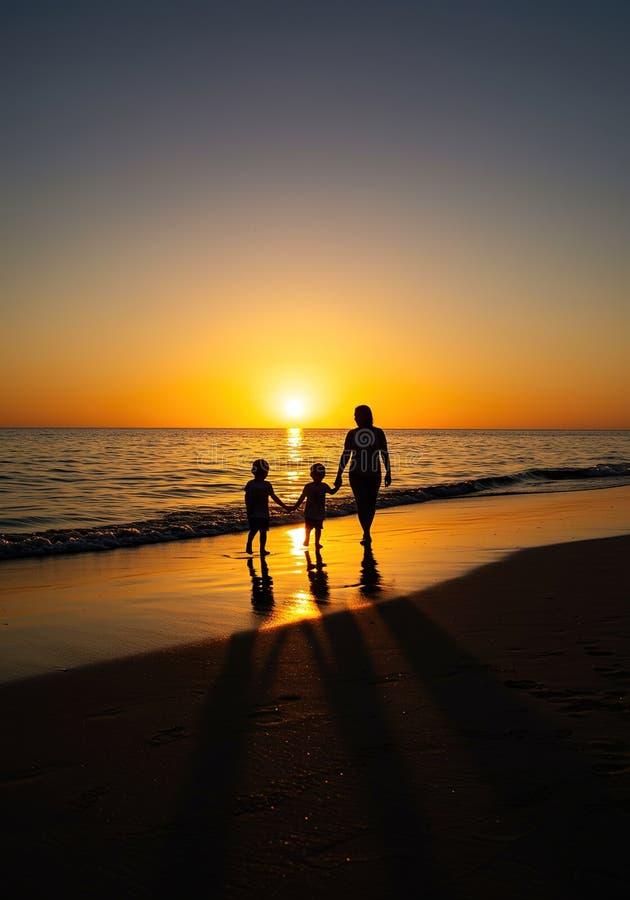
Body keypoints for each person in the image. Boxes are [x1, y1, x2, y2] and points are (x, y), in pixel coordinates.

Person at [334, 404, 391, 545]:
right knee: (361, 503)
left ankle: (367, 531)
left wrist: (388, 472)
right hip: (356, 474)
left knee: (371, 504)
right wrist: (338, 474)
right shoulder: (352, 434)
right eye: (355, 415)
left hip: (374, 474)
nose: (355, 418)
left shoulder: (378, 433)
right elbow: (346, 455)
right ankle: (366, 532)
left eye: (357, 415)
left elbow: (384, 453)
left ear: (366, 416)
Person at [244, 459, 289, 555]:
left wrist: (284, 506)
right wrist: (248, 509)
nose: (266, 474)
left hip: (263, 512)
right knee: (255, 530)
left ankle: (262, 549)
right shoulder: (251, 484)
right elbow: (247, 498)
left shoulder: (266, 484)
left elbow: (274, 497)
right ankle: (250, 544)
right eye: (265, 471)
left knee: (262, 532)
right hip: (255, 512)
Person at [290, 462, 339, 548]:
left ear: (323, 476)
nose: (318, 477)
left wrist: (337, 487)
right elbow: (302, 498)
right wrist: (295, 507)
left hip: (319, 512)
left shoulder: (323, 486)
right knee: (308, 528)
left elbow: (332, 492)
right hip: (310, 511)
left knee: (318, 528)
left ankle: (316, 542)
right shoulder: (309, 486)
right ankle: (307, 539)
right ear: (312, 475)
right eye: (317, 475)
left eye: (320, 475)